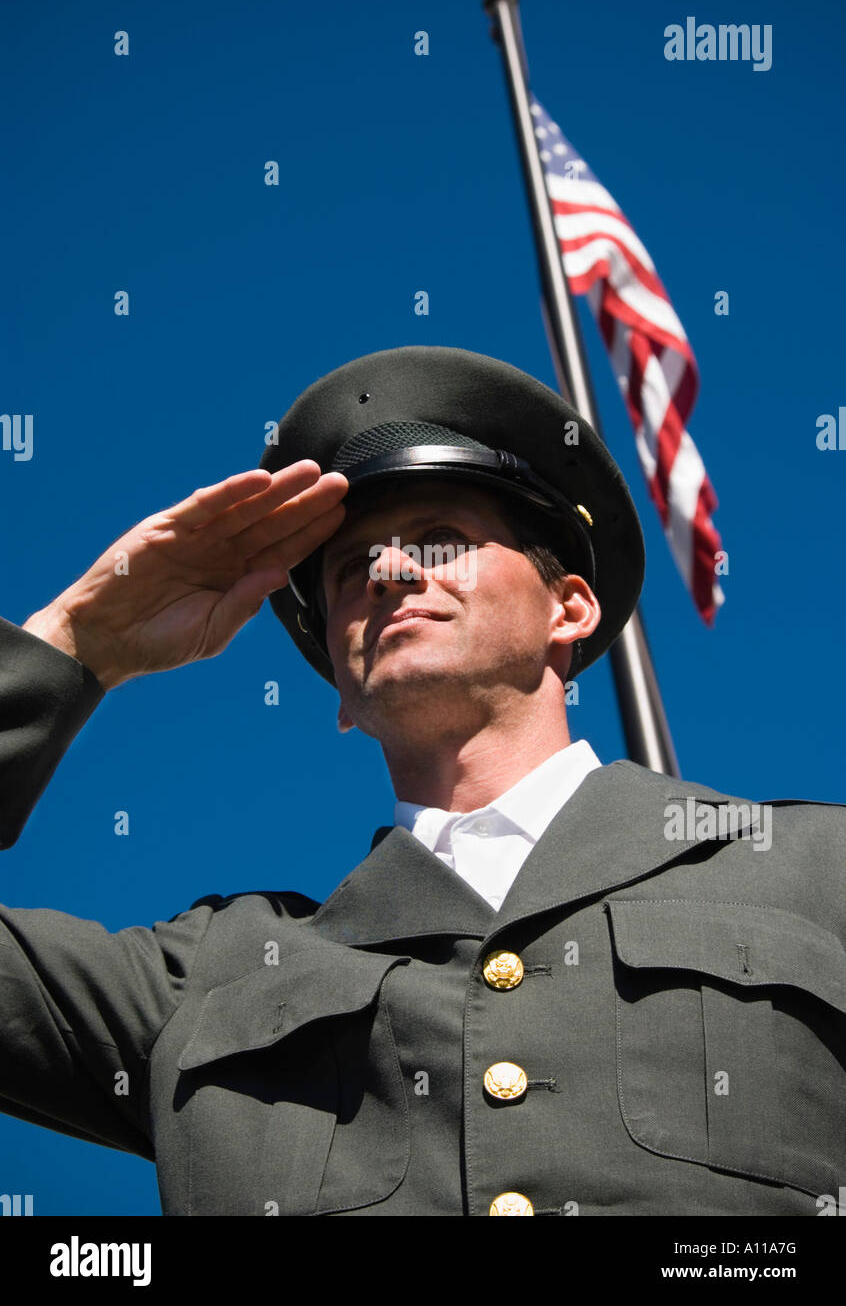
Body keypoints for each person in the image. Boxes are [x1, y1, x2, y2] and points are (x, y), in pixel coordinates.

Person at [1, 344, 844, 1217]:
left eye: (439, 540)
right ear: (340, 689)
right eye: (350, 569)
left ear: (571, 607)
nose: (390, 573)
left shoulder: (819, 871)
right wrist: (75, 643)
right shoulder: (204, 981)